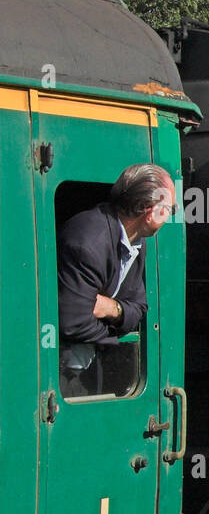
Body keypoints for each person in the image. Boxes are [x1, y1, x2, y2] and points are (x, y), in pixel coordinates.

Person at [58, 164, 175, 396]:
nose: (171, 215)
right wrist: (117, 342)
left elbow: (139, 308)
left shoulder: (136, 243)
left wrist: (111, 308)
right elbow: (73, 322)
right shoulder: (88, 243)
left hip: (88, 369)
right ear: (147, 210)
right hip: (61, 373)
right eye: (169, 209)